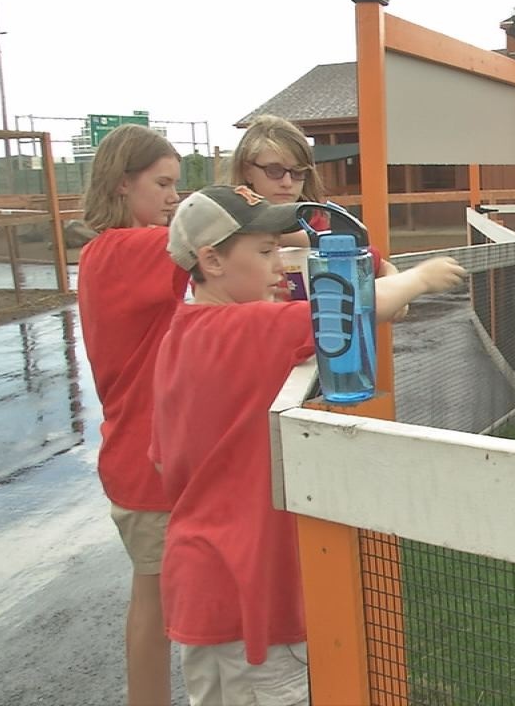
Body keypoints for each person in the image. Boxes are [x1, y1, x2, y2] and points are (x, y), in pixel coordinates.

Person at [150, 184, 465, 705]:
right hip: (257, 594)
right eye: (266, 251)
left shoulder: (178, 337)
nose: (281, 265)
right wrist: (420, 278)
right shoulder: (245, 328)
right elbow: (345, 309)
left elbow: (162, 459)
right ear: (212, 260)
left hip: (197, 587)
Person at [75, 123, 183, 706]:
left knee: (157, 596)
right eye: (163, 183)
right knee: (157, 601)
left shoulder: (110, 252)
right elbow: (209, 240)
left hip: (143, 454)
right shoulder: (126, 250)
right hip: (148, 462)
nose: (173, 197)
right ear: (123, 183)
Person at [224, 114, 398, 279]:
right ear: (247, 171)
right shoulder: (221, 225)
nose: (287, 182)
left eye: (298, 172)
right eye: (274, 170)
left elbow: (375, 261)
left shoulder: (313, 220)